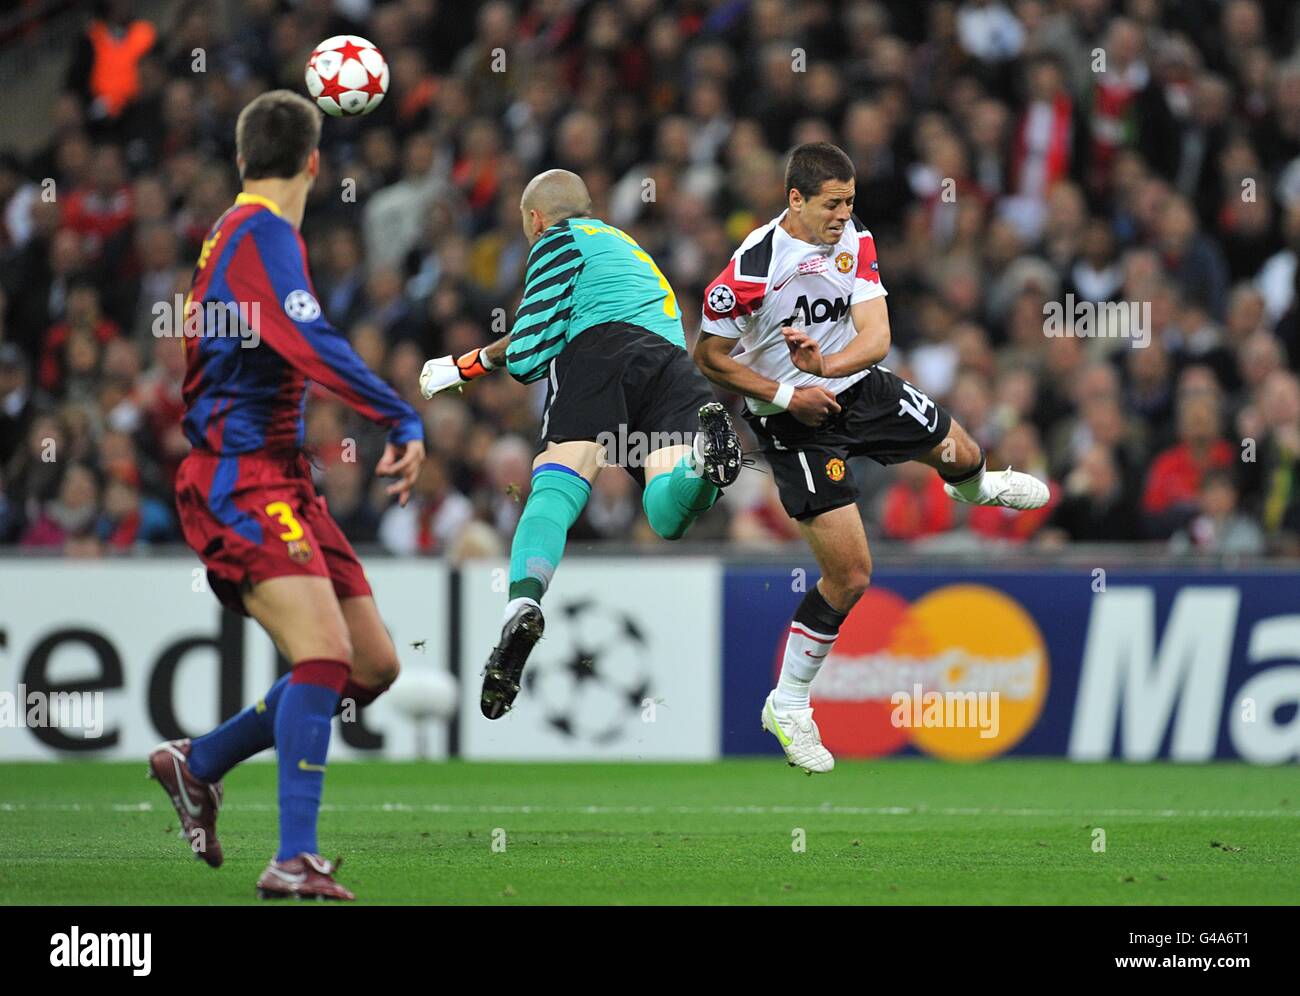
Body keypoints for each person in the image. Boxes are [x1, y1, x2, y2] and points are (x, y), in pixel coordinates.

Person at [148, 90, 426, 901]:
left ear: (242, 160)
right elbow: (305, 338)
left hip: (284, 476)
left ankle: (196, 763)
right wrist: (397, 413)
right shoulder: (259, 232)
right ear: (314, 162)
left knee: (370, 665)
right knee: (323, 653)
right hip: (240, 475)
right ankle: (293, 858)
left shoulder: (234, 233)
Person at [694, 142, 1049, 774]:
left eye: (850, 202)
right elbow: (710, 357)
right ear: (795, 199)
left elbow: (878, 336)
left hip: (856, 388)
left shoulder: (855, 240)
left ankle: (972, 489)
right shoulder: (752, 266)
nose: (843, 214)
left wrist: (824, 367)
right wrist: (785, 392)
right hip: (792, 422)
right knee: (853, 574)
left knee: (965, 452)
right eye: (832, 204)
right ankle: (790, 703)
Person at [420, 168, 741, 719]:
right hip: (671, 367)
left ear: (535, 218)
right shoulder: (627, 248)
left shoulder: (557, 241)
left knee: (555, 482)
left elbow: (526, 355)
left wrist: (465, 366)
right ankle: (702, 462)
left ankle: (522, 602)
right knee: (668, 513)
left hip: (601, 354)